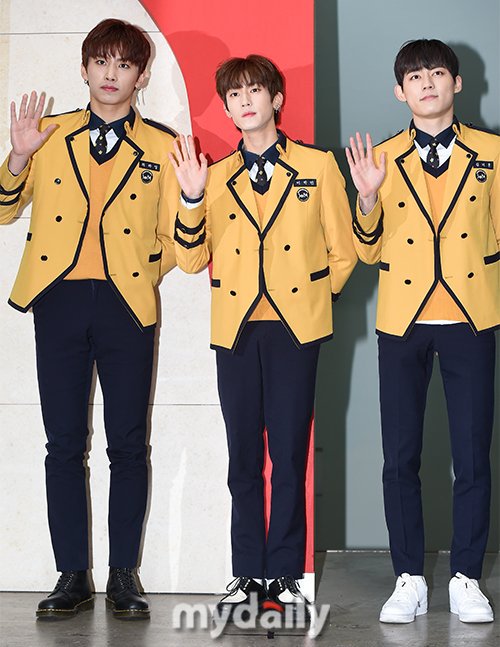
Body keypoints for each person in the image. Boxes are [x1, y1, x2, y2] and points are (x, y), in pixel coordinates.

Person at [0, 18, 179, 620]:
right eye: (101, 61)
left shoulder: (163, 147)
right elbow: (2, 210)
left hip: (128, 305)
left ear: (141, 76)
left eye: (124, 64)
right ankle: (72, 574)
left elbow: (180, 238)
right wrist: (17, 156)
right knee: (63, 445)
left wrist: (146, 266)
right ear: (83, 68)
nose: (110, 73)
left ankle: (124, 574)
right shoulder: (48, 135)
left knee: (128, 444)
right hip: (58, 300)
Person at [169, 54, 357, 620]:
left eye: (255, 91)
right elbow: (189, 259)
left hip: (296, 331)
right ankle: (247, 573)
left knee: (290, 454)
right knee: (243, 458)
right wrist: (192, 199)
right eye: (234, 94)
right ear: (226, 108)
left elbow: (344, 251)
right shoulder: (212, 175)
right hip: (235, 330)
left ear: (276, 99)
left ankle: (286, 576)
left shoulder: (318, 166)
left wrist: (310, 301)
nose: (245, 101)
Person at [346, 39, 498, 624]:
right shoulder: (379, 158)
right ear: (399, 90)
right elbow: (367, 250)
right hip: (403, 321)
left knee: (473, 457)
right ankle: (408, 577)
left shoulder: (492, 153)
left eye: (437, 73)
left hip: (470, 317)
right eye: (415, 76)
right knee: (400, 457)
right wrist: (366, 198)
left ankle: (466, 577)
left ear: (456, 83)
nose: (427, 83)